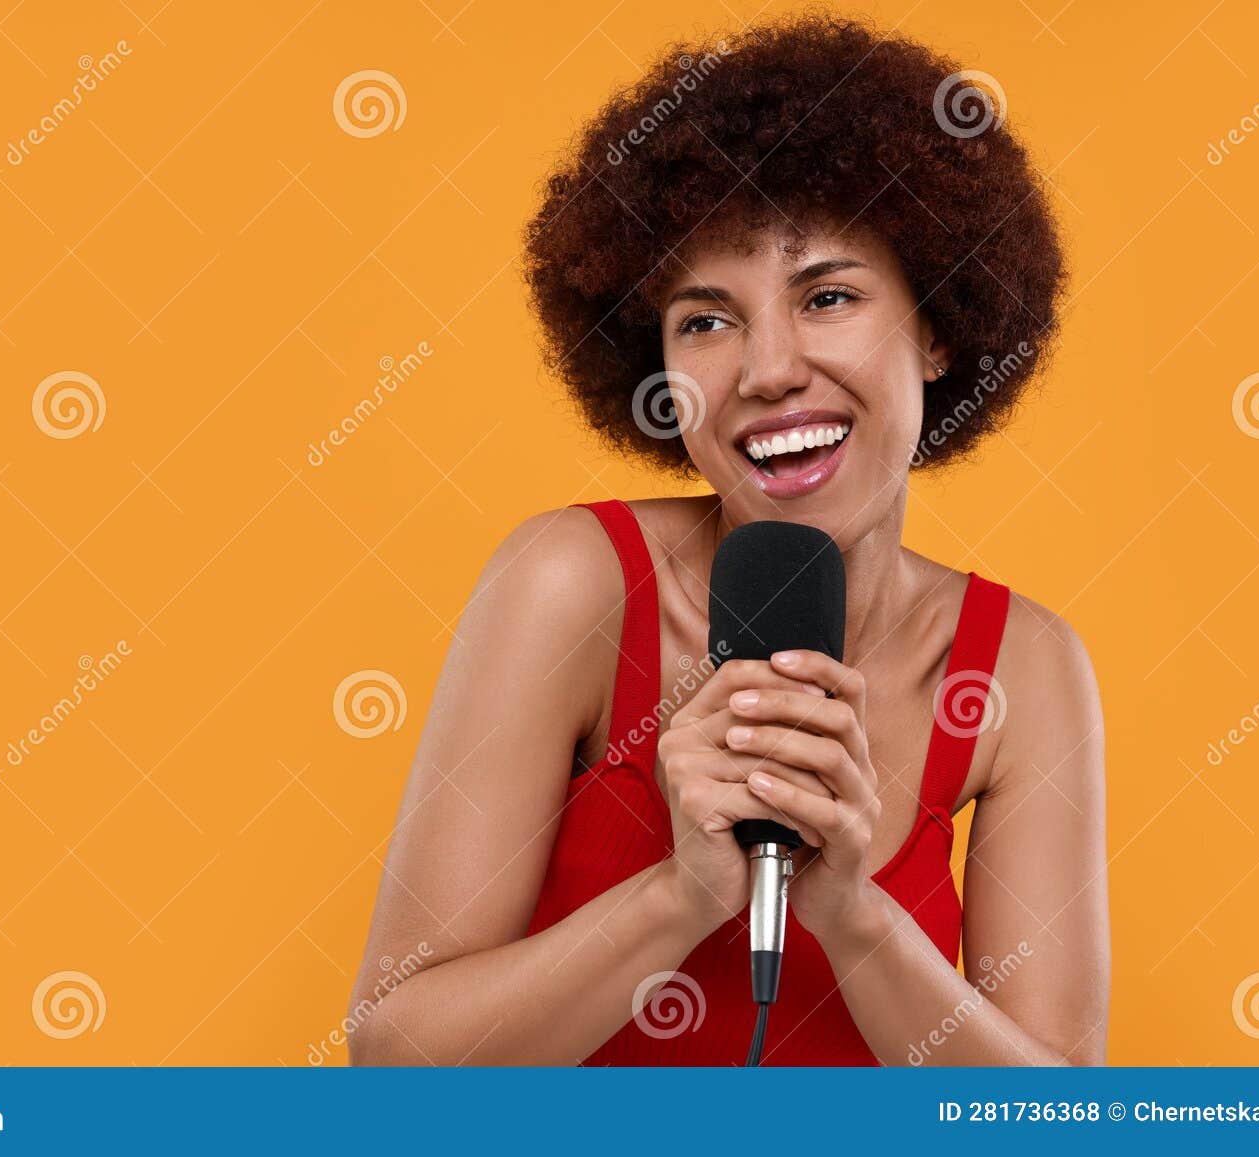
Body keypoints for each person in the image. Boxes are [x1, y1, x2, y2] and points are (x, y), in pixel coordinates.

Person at [349, 14, 1108, 1066]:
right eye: (705, 320)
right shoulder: (574, 584)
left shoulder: (1020, 663)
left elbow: (1061, 1121)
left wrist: (852, 912)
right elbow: (395, 1053)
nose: (767, 371)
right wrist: (681, 893)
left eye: (828, 297)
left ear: (937, 328)